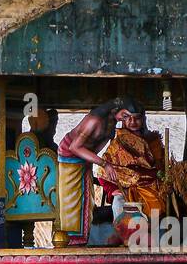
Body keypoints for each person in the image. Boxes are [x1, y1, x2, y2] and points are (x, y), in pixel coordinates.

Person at [56, 97, 137, 246]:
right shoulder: (95, 120)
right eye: (125, 116)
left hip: (85, 158)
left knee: (87, 198)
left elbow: (99, 147)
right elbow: (75, 147)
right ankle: (72, 239)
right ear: (115, 110)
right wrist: (104, 164)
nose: (127, 120)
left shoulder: (112, 123)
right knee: (73, 201)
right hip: (71, 157)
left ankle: (82, 238)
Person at [100, 103, 167, 242]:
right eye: (128, 118)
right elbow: (102, 171)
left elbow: (161, 168)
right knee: (118, 202)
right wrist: (112, 190)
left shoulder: (153, 141)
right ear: (123, 120)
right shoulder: (117, 143)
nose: (132, 122)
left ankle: (149, 237)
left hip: (150, 186)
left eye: (136, 118)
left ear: (143, 119)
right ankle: (122, 236)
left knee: (156, 205)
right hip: (125, 188)